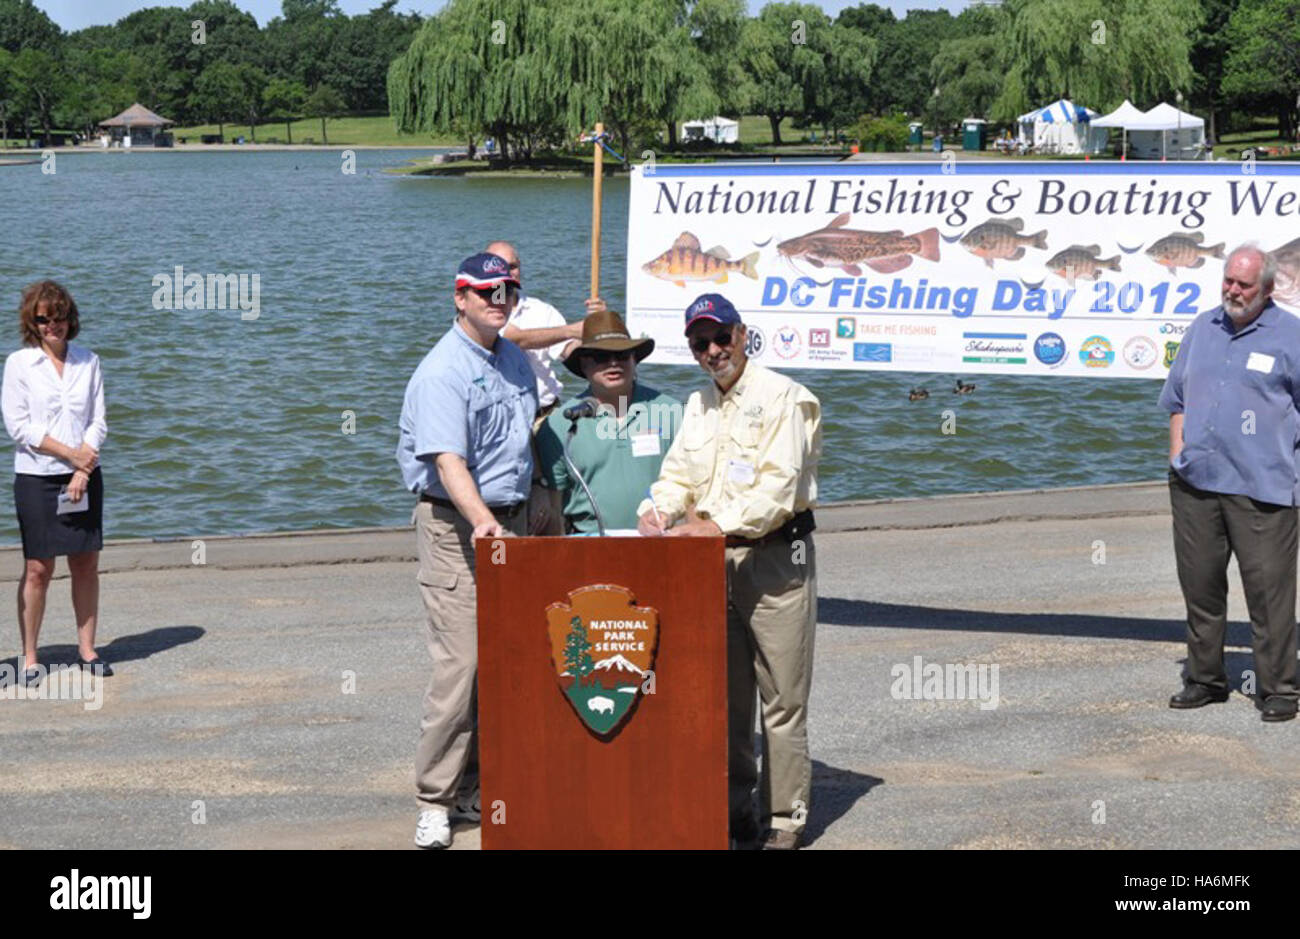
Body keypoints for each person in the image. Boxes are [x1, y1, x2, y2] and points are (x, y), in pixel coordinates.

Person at [636, 293, 822, 849]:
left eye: (721, 337)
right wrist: (659, 508)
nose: (713, 350)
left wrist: (711, 527)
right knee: (729, 698)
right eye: (701, 343)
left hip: (775, 561)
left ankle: (785, 819)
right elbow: (678, 475)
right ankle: (737, 808)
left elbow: (778, 489)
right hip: (713, 566)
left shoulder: (786, 397)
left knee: (782, 700)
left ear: (743, 335)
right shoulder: (698, 405)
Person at [396, 252, 536, 848]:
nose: (498, 299)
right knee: (461, 669)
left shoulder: (515, 360)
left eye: (507, 289)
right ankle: (435, 799)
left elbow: (528, 441)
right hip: (457, 529)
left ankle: (479, 782)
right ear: (460, 297)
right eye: (485, 292)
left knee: (506, 665)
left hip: (515, 524)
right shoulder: (441, 371)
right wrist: (482, 521)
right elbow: (448, 461)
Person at [1160, 244, 1300, 722]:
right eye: (1228, 281)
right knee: (1200, 588)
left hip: (1264, 489)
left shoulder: (1291, 336)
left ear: (1266, 289)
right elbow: (1177, 397)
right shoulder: (1203, 328)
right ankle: (1204, 679)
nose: (1233, 291)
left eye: (1243, 285)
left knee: (1269, 596)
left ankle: (1279, 686)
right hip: (1196, 484)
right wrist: (1178, 452)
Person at [1, 280, 109, 686]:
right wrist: (70, 455)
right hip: (37, 477)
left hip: (83, 475)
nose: (53, 325)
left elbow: (98, 421)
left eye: (59, 317)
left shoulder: (89, 361)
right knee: (37, 569)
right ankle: (29, 658)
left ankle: (88, 650)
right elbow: (19, 426)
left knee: (85, 563)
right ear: (33, 322)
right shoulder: (19, 364)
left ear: (70, 318)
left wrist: (82, 468)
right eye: (43, 318)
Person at [535, 309, 679, 533]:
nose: (613, 363)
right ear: (584, 364)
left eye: (622, 356)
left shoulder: (672, 411)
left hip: (660, 540)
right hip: (588, 543)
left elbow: (691, 487)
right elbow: (553, 504)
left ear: (634, 361)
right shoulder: (558, 425)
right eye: (601, 357)